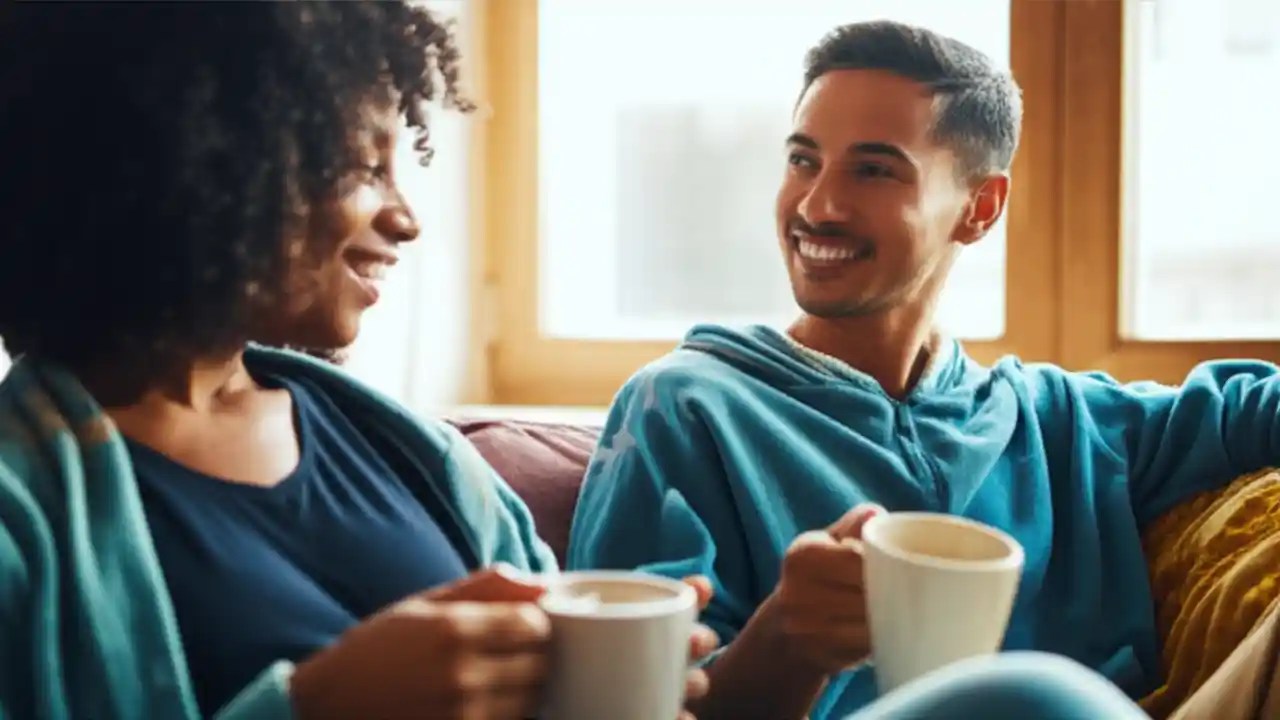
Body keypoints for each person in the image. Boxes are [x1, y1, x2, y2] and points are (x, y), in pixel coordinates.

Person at [0, 4, 715, 719]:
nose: (406, 218)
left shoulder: (411, 454)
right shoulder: (21, 512)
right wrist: (315, 709)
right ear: (194, 161)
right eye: (363, 166)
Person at [567, 19, 1280, 720]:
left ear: (980, 207)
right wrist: (788, 638)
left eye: (873, 170)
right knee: (1037, 697)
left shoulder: (1061, 420)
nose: (818, 206)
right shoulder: (684, 408)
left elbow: (1253, 411)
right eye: (803, 160)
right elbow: (629, 704)